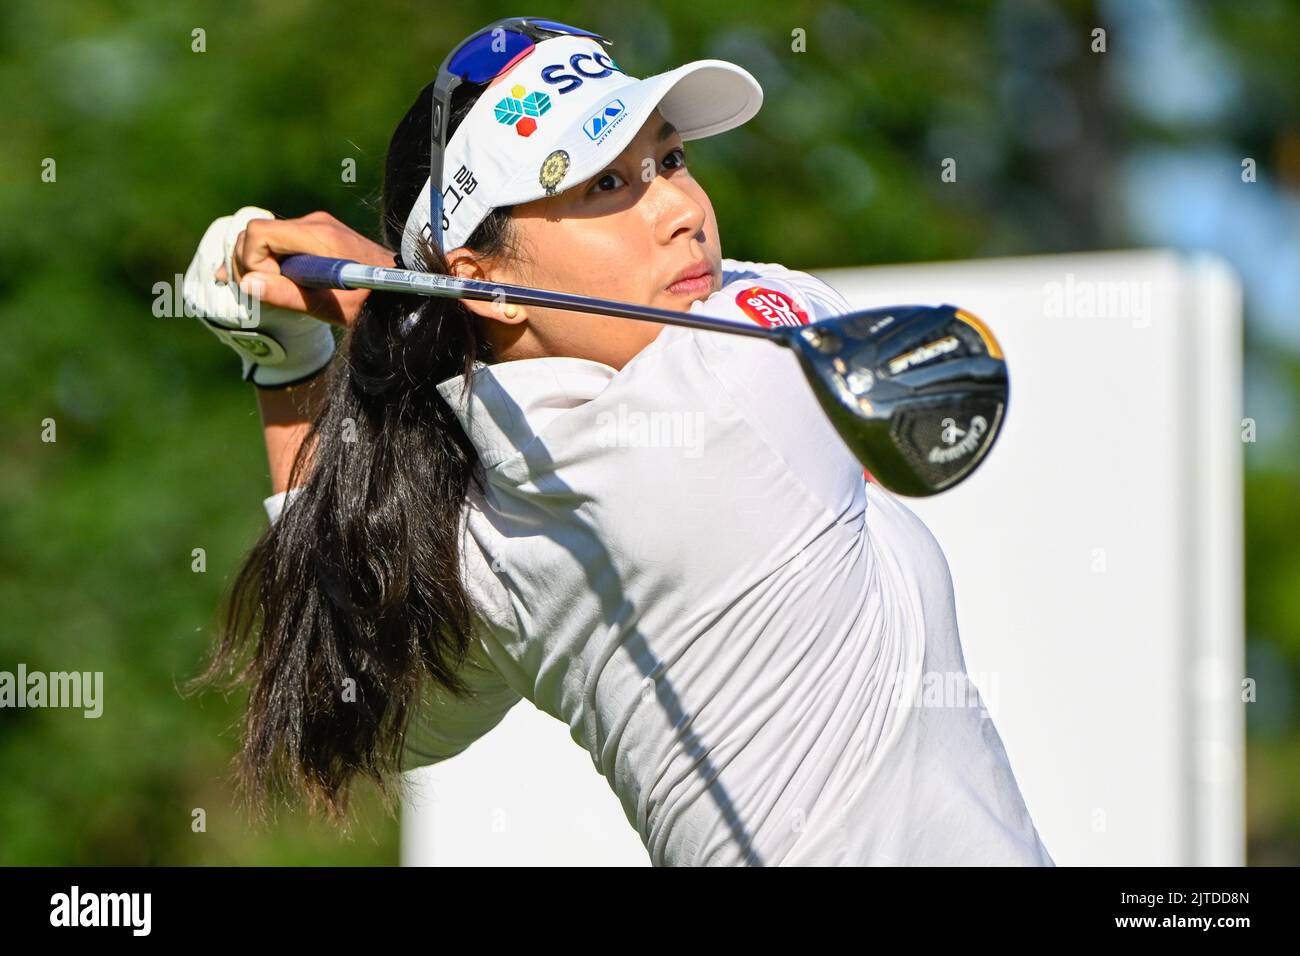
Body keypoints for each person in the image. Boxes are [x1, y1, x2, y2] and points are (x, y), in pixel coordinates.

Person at [183, 17, 1054, 866]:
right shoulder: (727, 385)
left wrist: (292, 366)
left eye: (669, 159)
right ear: (485, 287)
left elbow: (389, 716)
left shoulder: (484, 539)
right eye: (605, 184)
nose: (682, 209)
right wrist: (389, 298)